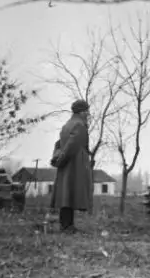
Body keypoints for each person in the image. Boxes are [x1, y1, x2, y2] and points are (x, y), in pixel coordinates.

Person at [50, 99, 93, 233]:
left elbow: (59, 144)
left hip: (66, 164)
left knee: (66, 195)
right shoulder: (80, 125)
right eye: (87, 111)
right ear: (82, 111)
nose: (88, 113)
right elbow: (72, 145)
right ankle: (67, 226)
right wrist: (62, 160)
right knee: (71, 194)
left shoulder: (67, 125)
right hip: (74, 164)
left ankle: (66, 225)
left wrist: (58, 159)